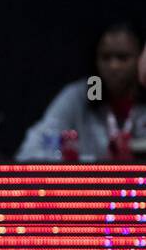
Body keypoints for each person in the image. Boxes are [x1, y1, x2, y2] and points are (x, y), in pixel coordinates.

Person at [17, 21, 145, 161]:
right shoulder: (81, 96)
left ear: (141, 59)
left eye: (123, 57)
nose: (113, 66)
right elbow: (31, 150)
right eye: (106, 57)